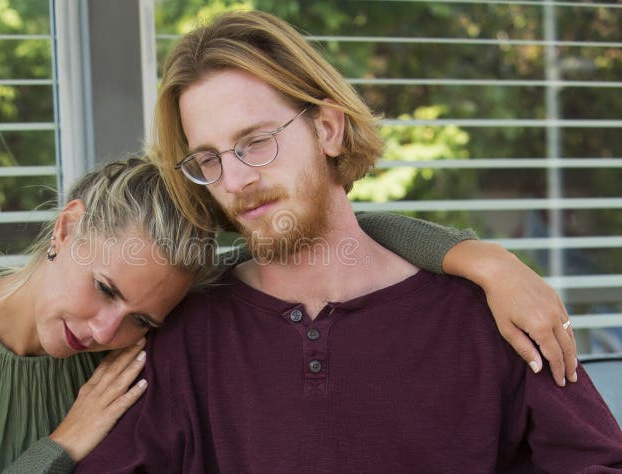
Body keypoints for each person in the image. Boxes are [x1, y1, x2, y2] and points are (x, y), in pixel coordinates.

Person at [75, 11, 622, 472]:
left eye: (257, 142)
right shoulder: (184, 336)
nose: (235, 180)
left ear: (329, 130)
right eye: (210, 160)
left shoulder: (488, 315)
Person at [0, 157, 493, 472]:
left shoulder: (148, 338)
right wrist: (61, 446)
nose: (107, 333)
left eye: (141, 320)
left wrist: (480, 260)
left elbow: (320, 237)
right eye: (105, 288)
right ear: (69, 227)